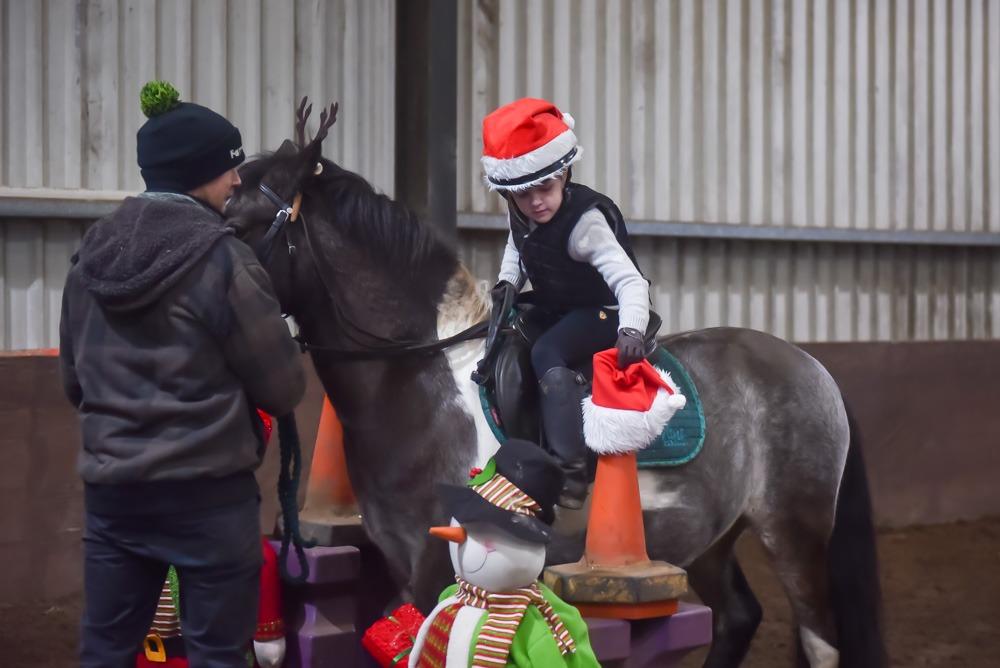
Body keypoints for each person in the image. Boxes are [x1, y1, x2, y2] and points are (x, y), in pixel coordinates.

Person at [59, 80, 305, 668]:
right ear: (200, 173)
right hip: (207, 498)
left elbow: (74, 382)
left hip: (114, 495)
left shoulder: (91, 255)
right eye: (230, 169)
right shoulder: (223, 260)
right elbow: (283, 387)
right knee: (217, 654)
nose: (237, 180)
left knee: (105, 650)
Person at [479, 97, 651, 509]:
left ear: (564, 174)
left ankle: (570, 471)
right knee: (505, 339)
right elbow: (517, 247)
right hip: (558, 306)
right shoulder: (520, 213)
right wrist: (507, 282)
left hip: (605, 311)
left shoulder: (585, 225)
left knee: (547, 351)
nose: (537, 201)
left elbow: (630, 281)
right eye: (523, 195)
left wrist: (631, 328)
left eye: (546, 188)